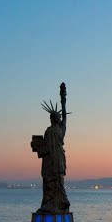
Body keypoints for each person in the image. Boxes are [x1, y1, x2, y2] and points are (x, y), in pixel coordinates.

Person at [33, 82, 71, 213]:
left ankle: (55, 203)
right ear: (58, 119)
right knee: (58, 182)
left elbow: (46, 147)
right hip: (59, 159)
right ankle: (60, 202)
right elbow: (65, 115)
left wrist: (36, 146)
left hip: (52, 161)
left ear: (51, 119)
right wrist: (63, 99)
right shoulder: (62, 129)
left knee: (50, 182)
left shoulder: (49, 131)